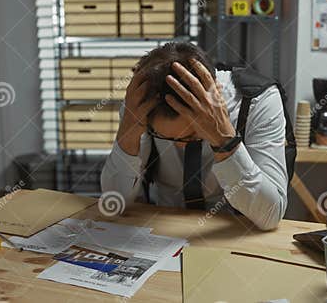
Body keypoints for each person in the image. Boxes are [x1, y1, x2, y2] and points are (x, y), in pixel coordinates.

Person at [101, 42, 288, 230]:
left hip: (233, 230)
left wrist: (224, 140)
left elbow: (270, 216)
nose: (182, 147)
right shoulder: (140, 104)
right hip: (162, 226)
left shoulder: (258, 101)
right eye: (167, 137)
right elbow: (114, 203)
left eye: (193, 135)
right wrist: (129, 130)